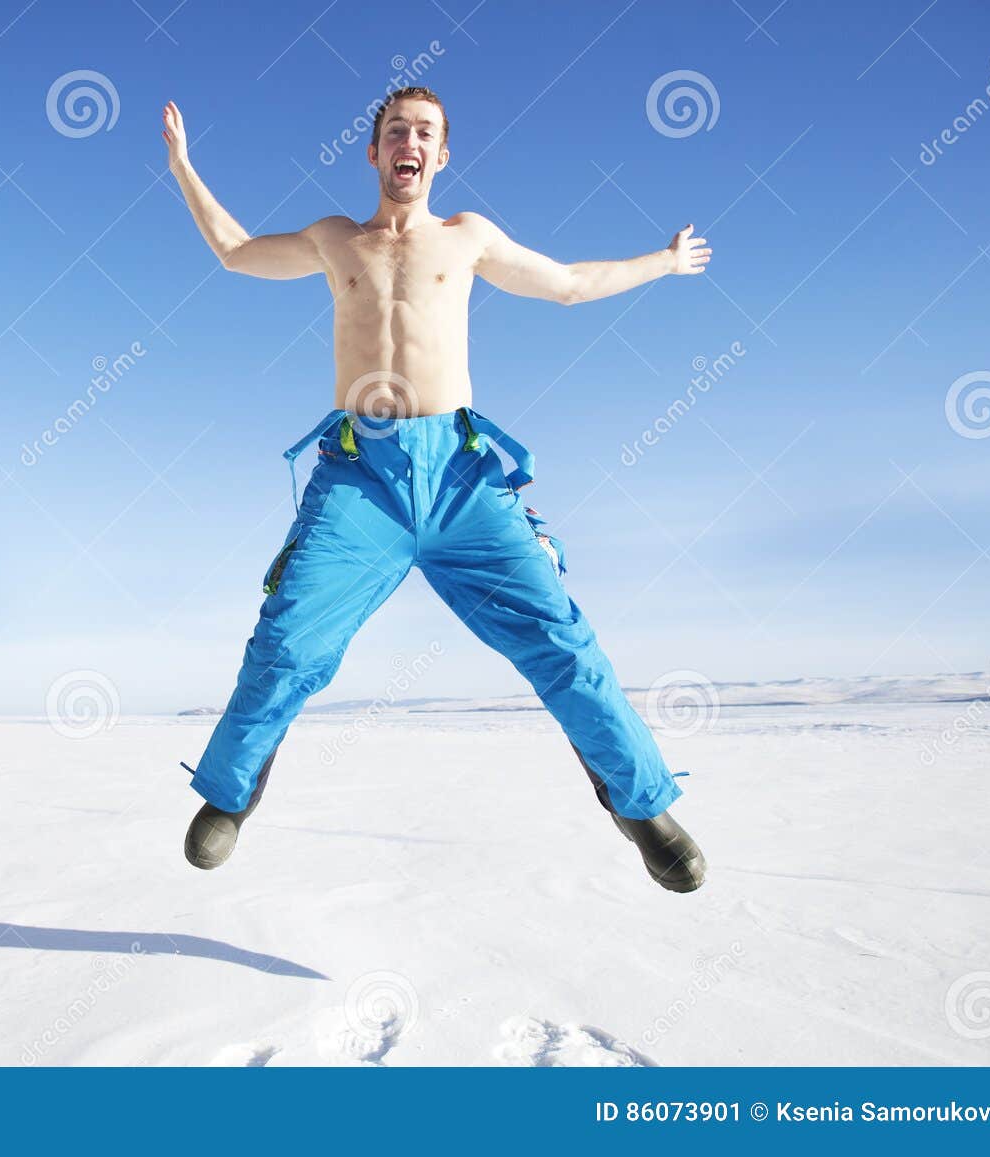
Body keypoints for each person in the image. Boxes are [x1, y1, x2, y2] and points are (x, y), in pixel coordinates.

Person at [162, 88, 710, 892]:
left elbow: (566, 283)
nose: (408, 142)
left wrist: (660, 261)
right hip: (361, 478)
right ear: (375, 153)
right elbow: (234, 249)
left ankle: (641, 806)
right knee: (287, 638)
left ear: (441, 155)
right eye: (394, 132)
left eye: (424, 132)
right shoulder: (334, 239)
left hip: (461, 478)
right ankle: (231, 794)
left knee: (560, 641)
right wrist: (182, 164)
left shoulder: (467, 238)